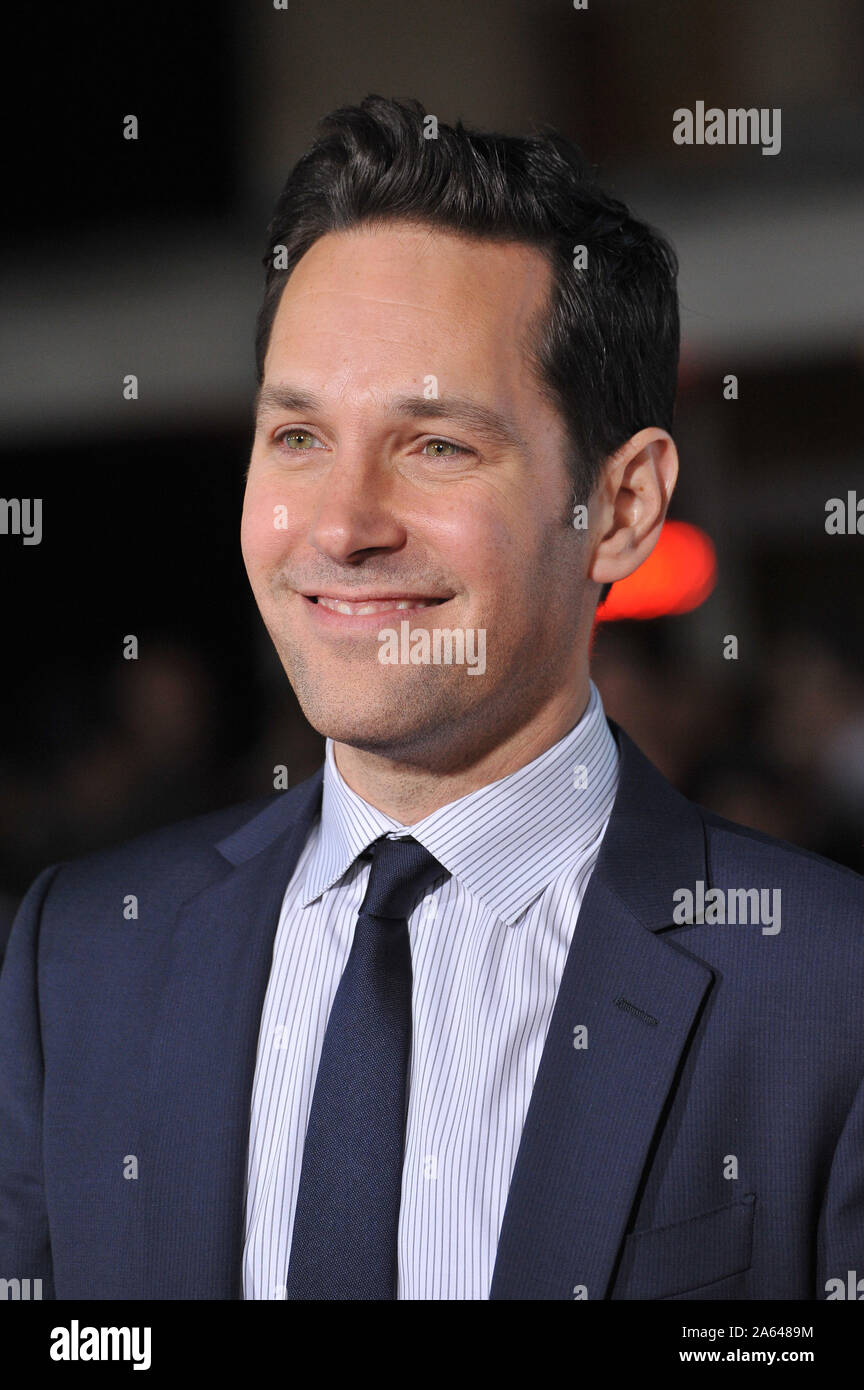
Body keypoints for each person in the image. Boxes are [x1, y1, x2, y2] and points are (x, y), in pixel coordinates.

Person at [1, 95, 861, 1302]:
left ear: (618, 509)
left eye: (436, 446)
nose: (343, 526)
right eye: (297, 436)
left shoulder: (829, 993)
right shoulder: (81, 961)